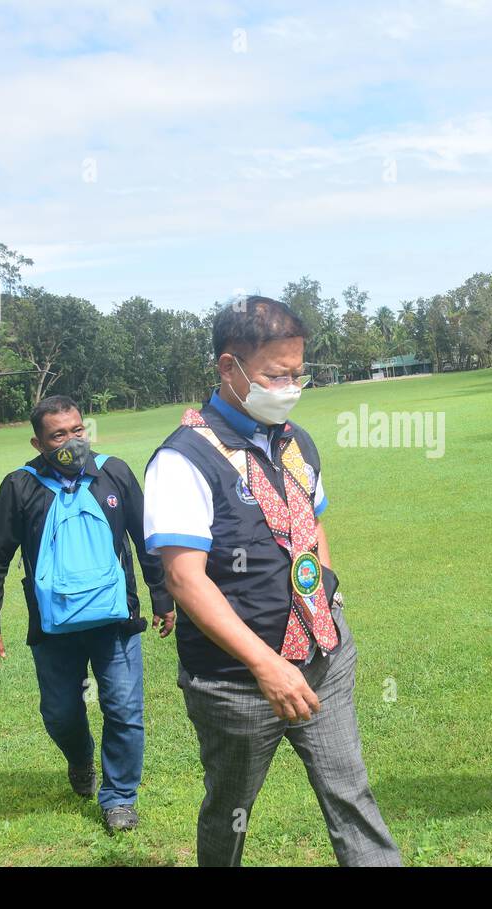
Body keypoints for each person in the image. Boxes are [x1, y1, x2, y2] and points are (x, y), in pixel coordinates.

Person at [144, 295, 400, 866]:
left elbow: (312, 524)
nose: (288, 387)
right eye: (273, 375)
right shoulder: (182, 461)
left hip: (322, 661)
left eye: (296, 373)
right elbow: (185, 582)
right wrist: (265, 665)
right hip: (237, 682)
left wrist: (326, 591)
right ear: (228, 368)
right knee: (230, 810)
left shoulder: (295, 441)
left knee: (350, 794)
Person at [0, 395, 175, 834]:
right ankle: (82, 759)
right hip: (52, 627)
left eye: (77, 430)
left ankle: (119, 798)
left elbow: (146, 539)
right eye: (59, 435)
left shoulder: (114, 472)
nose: (71, 440)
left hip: (116, 621)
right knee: (61, 713)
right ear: (37, 442)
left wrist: (163, 596)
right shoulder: (20, 486)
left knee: (122, 708)